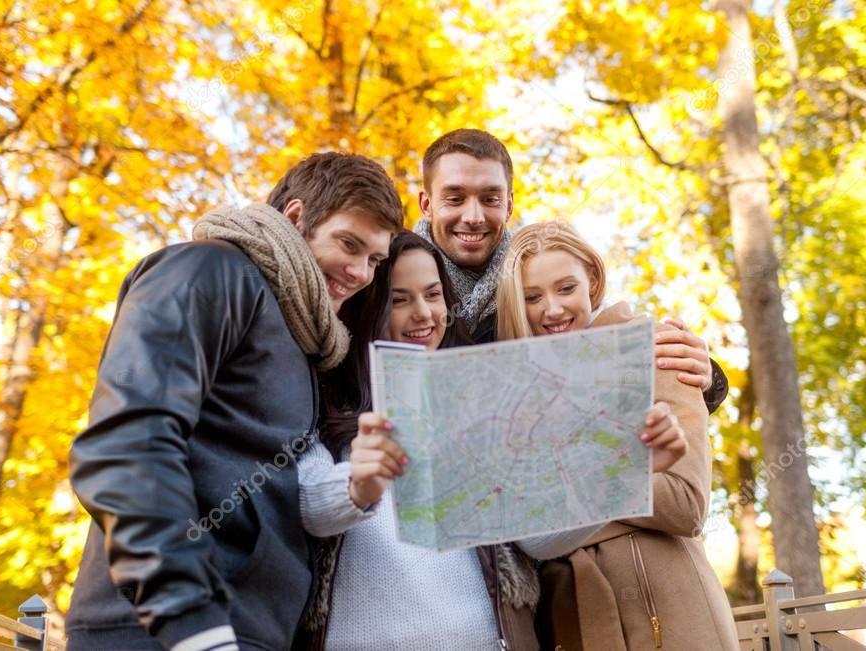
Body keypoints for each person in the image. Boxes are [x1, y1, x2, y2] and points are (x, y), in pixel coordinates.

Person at [65, 152, 403, 651]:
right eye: (349, 244)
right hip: (161, 629)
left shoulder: (304, 341)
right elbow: (127, 442)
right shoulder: (209, 270)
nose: (359, 273)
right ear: (295, 216)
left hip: (247, 632)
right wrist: (190, 620)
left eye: (374, 259)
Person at [292, 232, 689, 650]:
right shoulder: (319, 404)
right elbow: (308, 504)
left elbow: (535, 537)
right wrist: (357, 486)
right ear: (368, 307)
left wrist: (625, 466)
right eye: (400, 299)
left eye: (433, 294)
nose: (424, 313)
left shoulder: (477, 404)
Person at [497, 221, 739, 651]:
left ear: (592, 279)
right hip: (567, 614)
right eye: (532, 297)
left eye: (566, 287)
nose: (552, 309)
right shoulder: (521, 393)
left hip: (663, 609)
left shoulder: (657, 350)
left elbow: (685, 503)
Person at [414, 128, 729, 412]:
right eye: (454, 198)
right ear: (426, 204)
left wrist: (706, 379)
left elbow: (609, 345)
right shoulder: (388, 283)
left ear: (508, 205)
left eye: (490, 199)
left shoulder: (536, 273)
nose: (473, 216)